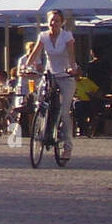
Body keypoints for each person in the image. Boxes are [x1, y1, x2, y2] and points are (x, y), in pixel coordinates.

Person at [24, 9, 78, 160]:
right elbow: (34, 53)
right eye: (51, 20)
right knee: (40, 101)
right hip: (50, 75)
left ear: (62, 23)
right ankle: (42, 128)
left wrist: (72, 67)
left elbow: (71, 55)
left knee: (64, 110)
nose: (53, 23)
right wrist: (26, 66)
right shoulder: (43, 36)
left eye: (56, 20)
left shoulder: (67, 36)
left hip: (65, 76)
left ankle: (67, 146)